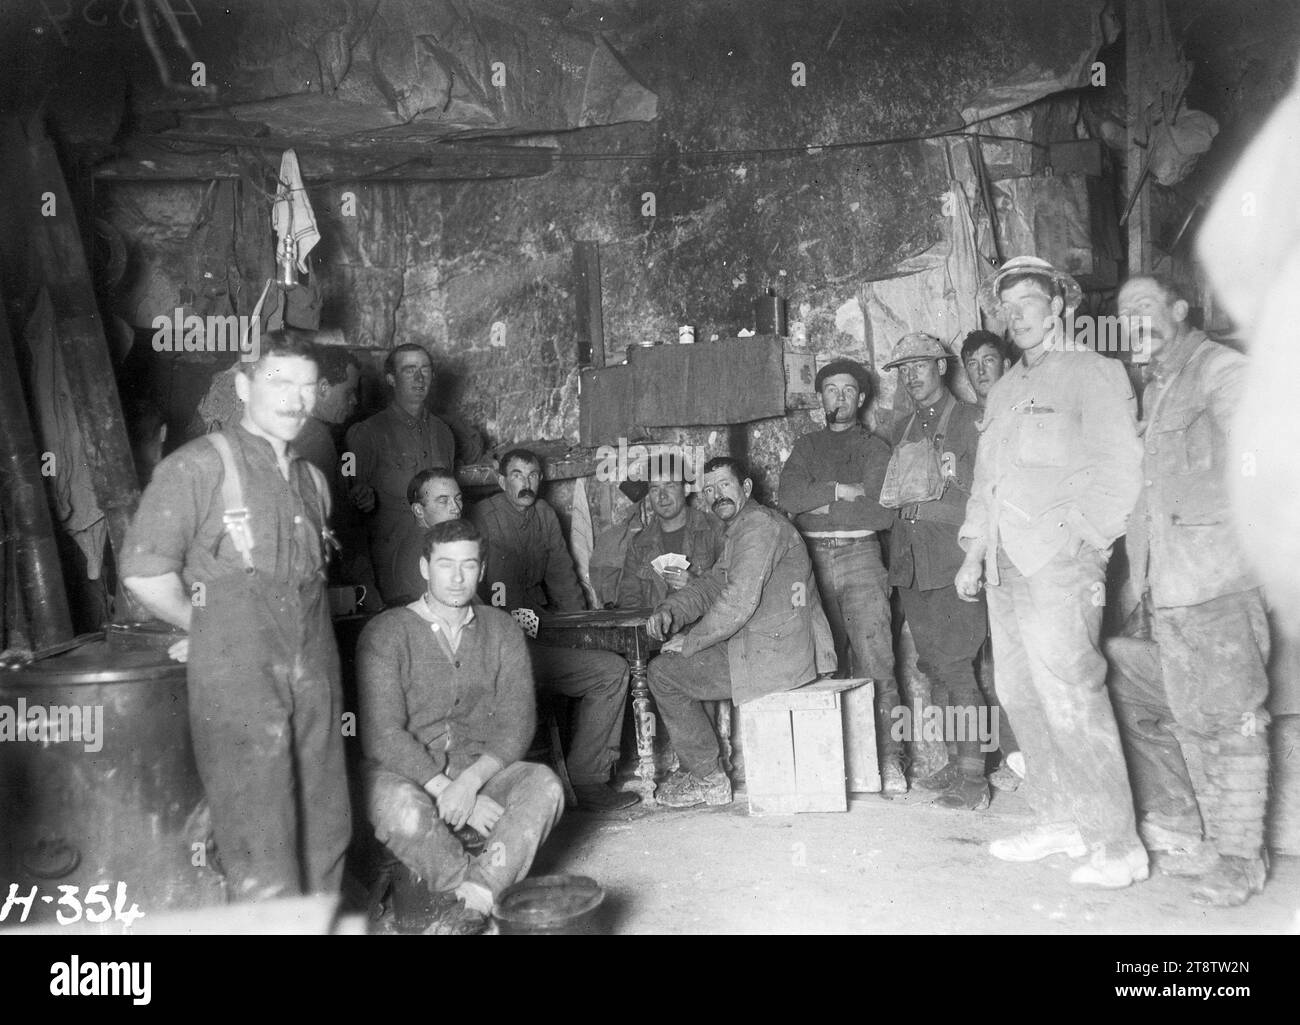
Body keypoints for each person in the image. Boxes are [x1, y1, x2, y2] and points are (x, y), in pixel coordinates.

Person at [121, 328, 351, 901]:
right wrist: (209, 630)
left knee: (327, 820)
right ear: (244, 386)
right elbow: (145, 573)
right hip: (240, 677)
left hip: (314, 668)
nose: (296, 397)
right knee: (259, 834)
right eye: (279, 381)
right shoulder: (196, 467)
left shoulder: (314, 481)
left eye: (307, 384)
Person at [955, 255, 1146, 888]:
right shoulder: (1006, 387)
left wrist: (1086, 544)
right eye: (1007, 310)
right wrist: (974, 551)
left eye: (1029, 303)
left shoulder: (1095, 373)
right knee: (1020, 692)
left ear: (1059, 305)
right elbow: (988, 480)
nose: (1017, 318)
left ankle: (1117, 843)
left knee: (1071, 691)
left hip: (1060, 562)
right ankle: (1058, 818)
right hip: (1007, 566)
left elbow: (1122, 472)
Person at [1109, 275, 1271, 907]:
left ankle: (1241, 859)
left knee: (1233, 720)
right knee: (1188, 716)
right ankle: (1208, 836)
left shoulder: (1218, 370)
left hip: (1220, 585)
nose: (1133, 321)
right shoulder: (1160, 388)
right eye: (1124, 315)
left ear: (1180, 309)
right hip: (1171, 591)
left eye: (1145, 307)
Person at [357, 518, 565, 934]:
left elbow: (517, 721)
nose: (456, 577)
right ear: (423, 567)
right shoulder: (386, 631)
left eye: (468, 565)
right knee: (398, 808)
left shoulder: (502, 629)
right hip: (405, 773)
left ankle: (474, 904)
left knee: (545, 786)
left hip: (479, 768)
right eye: (445, 564)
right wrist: (446, 790)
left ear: (482, 570)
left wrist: (469, 784)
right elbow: (382, 733)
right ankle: (468, 893)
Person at [647, 457, 835, 808]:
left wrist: (691, 640)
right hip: (763, 647)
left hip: (776, 656)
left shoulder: (758, 526)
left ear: (745, 488)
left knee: (663, 673)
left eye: (724, 485)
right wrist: (672, 609)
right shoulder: (741, 528)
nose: (717, 495)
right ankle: (705, 772)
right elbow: (713, 584)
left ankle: (707, 777)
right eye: (709, 490)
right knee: (670, 668)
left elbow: (737, 601)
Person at [469, 448, 638, 812]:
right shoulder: (483, 516)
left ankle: (587, 777)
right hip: (496, 642)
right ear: (501, 481)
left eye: (532, 476)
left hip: (539, 629)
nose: (525, 483)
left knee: (611, 669)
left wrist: (582, 627)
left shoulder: (545, 514)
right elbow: (473, 592)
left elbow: (562, 575)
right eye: (516, 475)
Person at [777, 359, 904, 794]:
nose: (840, 398)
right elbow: (788, 497)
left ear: (862, 397)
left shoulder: (874, 448)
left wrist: (818, 505)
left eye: (849, 390)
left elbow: (881, 510)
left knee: (877, 662)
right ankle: (828, 768)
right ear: (820, 398)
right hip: (810, 559)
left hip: (861, 555)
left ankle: (889, 762)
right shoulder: (807, 446)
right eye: (831, 390)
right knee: (818, 664)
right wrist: (839, 491)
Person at [880, 333, 989, 810]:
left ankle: (975, 778)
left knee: (959, 670)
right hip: (912, 564)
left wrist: (957, 474)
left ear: (942, 367)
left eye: (920, 365)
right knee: (934, 669)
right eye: (903, 369)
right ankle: (953, 762)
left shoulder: (970, 420)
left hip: (950, 560)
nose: (911, 375)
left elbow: (992, 490)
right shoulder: (900, 428)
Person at [345, 343, 458, 604]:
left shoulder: (444, 433)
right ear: (391, 379)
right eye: (409, 370)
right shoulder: (368, 433)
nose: (419, 378)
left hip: (439, 565)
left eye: (425, 369)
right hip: (393, 574)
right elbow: (351, 521)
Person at [616, 456, 725, 609]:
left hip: (706, 629)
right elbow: (629, 601)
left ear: (686, 489)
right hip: (656, 629)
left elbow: (735, 591)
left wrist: (696, 585)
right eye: (655, 489)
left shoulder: (715, 531)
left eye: (670, 486)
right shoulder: (639, 545)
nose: (662, 496)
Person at [386, 467, 464, 605]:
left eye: (458, 499)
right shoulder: (428, 549)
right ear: (418, 510)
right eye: (443, 501)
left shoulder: (424, 540)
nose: (456, 509)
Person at [960, 330, 1014, 406]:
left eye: (988, 360)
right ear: (966, 374)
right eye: (973, 364)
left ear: (1005, 366)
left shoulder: (1022, 413)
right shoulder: (960, 416)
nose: (981, 371)